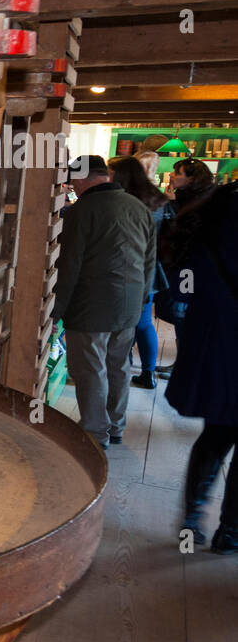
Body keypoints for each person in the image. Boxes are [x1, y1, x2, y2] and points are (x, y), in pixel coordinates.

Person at [54, 155, 156, 448]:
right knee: (118, 365)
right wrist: (141, 301)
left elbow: (69, 266)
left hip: (91, 305)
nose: (73, 186)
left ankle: (94, 432)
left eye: (74, 180)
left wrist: (55, 313)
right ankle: (115, 426)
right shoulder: (139, 207)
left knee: (90, 368)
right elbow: (150, 262)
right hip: (130, 304)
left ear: (83, 178)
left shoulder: (81, 211)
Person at [165, 180, 238, 553]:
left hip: (219, 346)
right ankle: (232, 532)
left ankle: (191, 524)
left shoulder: (208, 219)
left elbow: (183, 286)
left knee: (215, 437)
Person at [110, 156, 169, 388]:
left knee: (129, 323)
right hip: (152, 267)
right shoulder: (158, 199)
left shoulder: (126, 203)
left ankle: (127, 366)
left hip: (131, 268)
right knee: (143, 323)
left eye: (112, 173)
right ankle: (148, 372)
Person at [156, 158, 217, 379]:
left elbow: (194, 239)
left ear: (191, 178)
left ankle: (187, 368)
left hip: (189, 269)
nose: (172, 176)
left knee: (181, 312)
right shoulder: (187, 199)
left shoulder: (202, 203)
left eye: (177, 173)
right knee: (177, 312)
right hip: (182, 267)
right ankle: (185, 365)